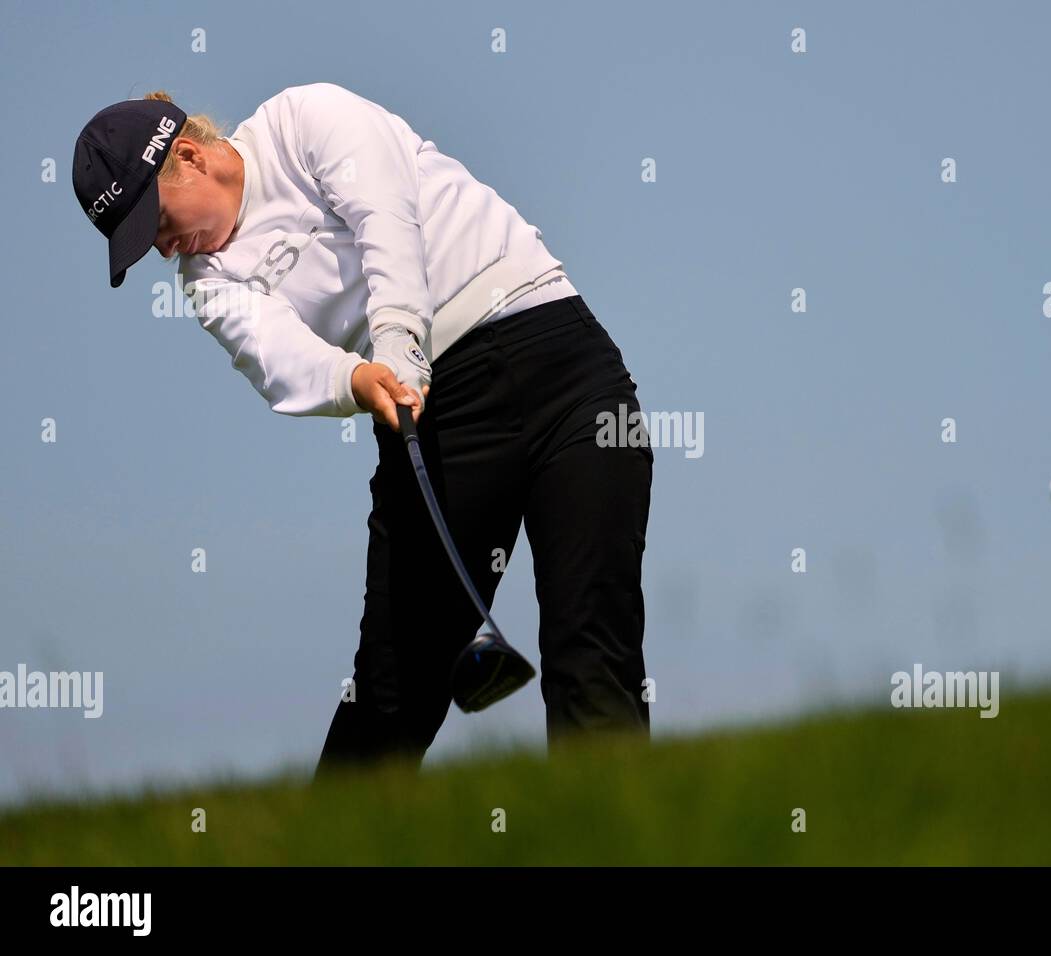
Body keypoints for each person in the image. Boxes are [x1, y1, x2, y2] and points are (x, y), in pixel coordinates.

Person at [71, 82, 654, 776]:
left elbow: (387, 219)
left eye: (157, 223)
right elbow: (274, 355)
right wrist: (354, 379)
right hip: (431, 417)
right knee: (392, 689)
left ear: (191, 158)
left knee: (592, 645)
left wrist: (399, 341)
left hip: (562, 363)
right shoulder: (208, 277)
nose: (165, 250)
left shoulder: (306, 117)